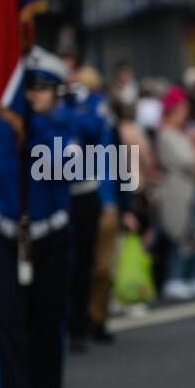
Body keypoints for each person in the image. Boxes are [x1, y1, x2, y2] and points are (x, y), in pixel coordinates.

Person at [0, 48, 76, 388]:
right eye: (25, 88)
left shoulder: (65, 127)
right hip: (3, 232)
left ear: (56, 93)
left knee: (47, 320)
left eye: (41, 88)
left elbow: (63, 169)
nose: (31, 95)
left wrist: (34, 131)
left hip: (48, 235)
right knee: (6, 319)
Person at [63, 64, 117, 351]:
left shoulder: (94, 106)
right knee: (65, 263)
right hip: (59, 191)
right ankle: (72, 321)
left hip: (91, 190)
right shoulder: (58, 105)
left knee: (97, 265)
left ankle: (92, 320)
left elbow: (100, 139)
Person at [156, 86, 195, 299]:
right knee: (180, 236)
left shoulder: (181, 133)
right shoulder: (166, 134)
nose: (185, 114)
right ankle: (175, 277)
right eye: (182, 110)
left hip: (191, 189)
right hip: (176, 191)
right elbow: (189, 160)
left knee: (194, 236)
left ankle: (191, 276)